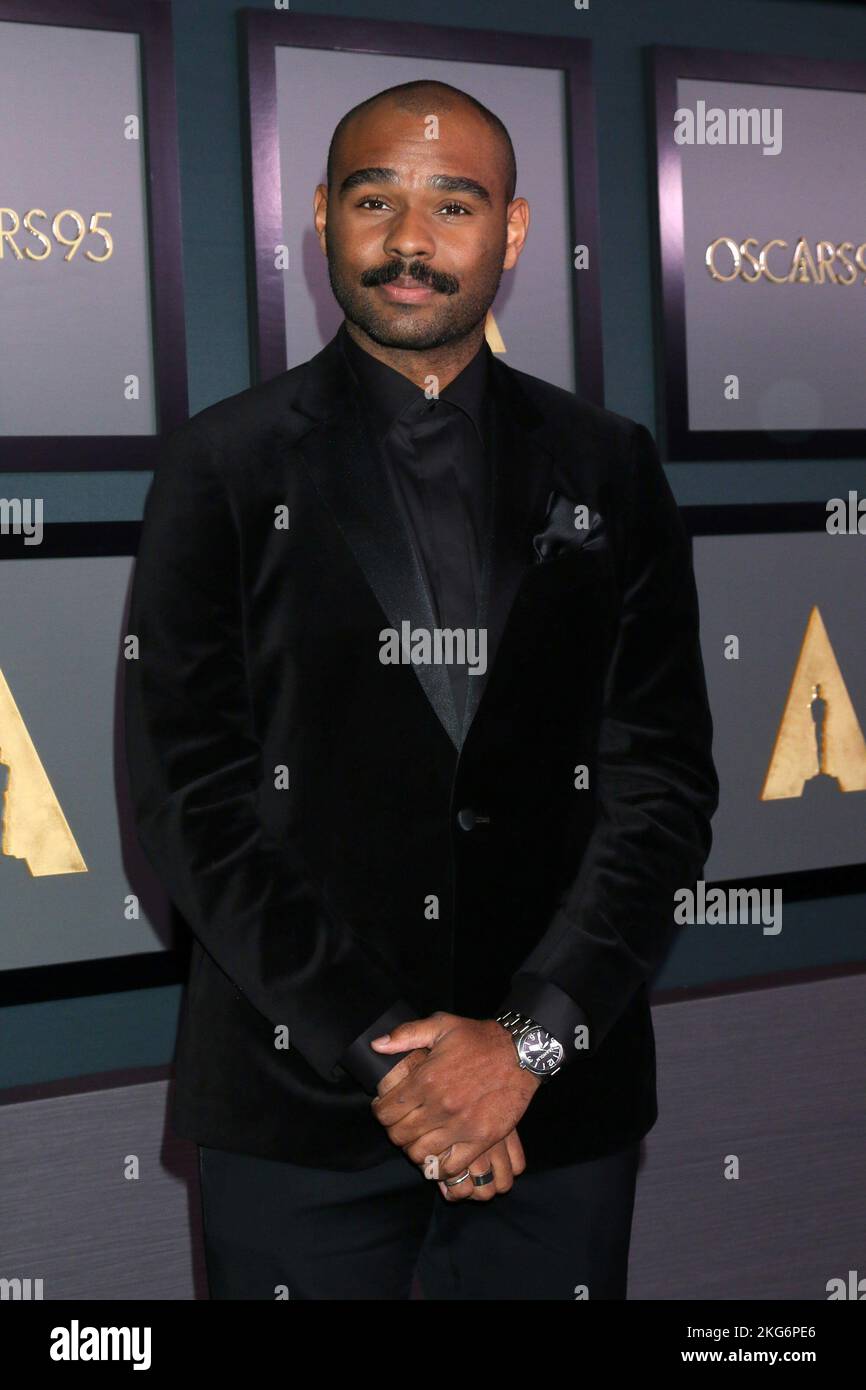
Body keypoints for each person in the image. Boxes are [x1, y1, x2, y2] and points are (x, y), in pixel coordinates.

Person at [124, 80, 719, 1300]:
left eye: (452, 204)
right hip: (298, 1116)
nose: (408, 240)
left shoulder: (609, 462)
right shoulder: (220, 463)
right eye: (372, 200)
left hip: (556, 1114)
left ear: (510, 230)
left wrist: (526, 1046)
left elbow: (657, 785)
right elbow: (194, 803)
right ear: (320, 222)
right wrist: (406, 1067)